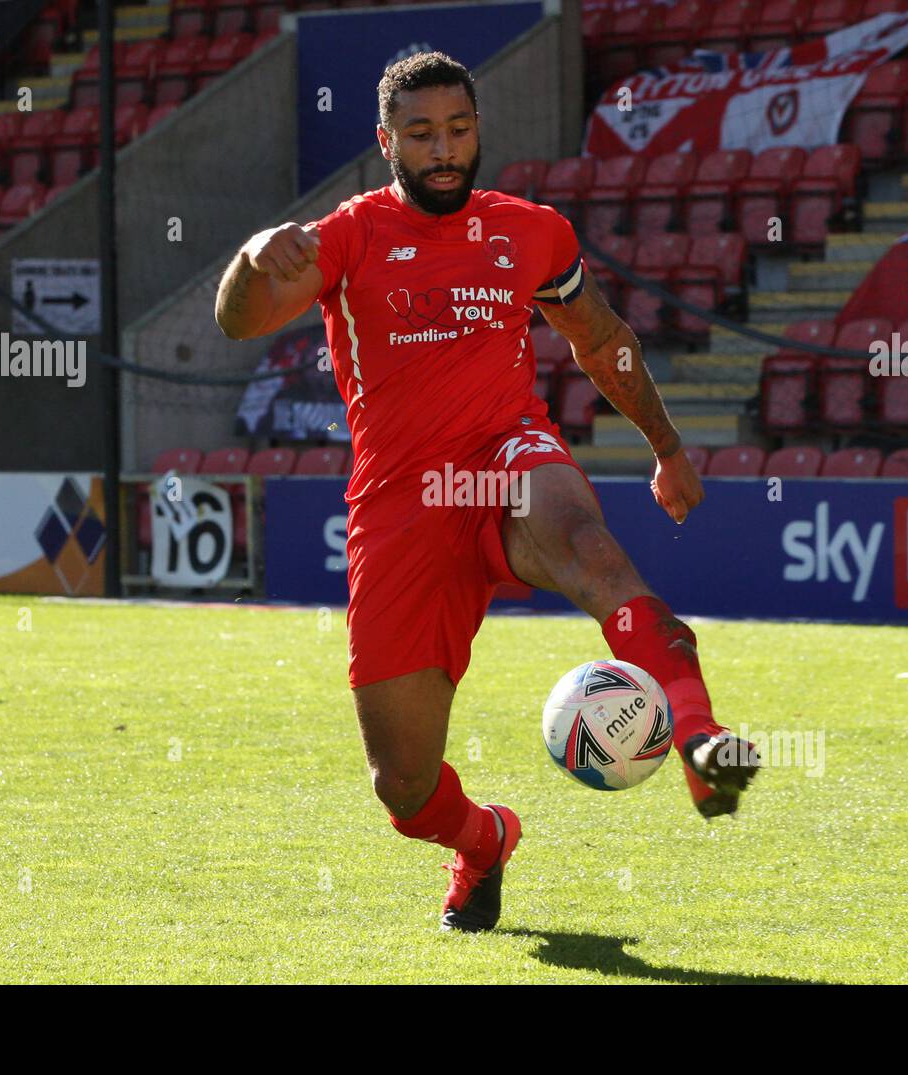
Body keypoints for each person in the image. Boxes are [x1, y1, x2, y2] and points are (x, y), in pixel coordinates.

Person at [216, 52, 758, 933]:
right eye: (422, 135)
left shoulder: (532, 232)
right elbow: (240, 317)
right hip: (401, 503)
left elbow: (601, 339)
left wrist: (665, 446)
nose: (444, 151)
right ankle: (484, 839)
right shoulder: (350, 235)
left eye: (459, 131)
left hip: (506, 455)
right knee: (403, 788)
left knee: (591, 549)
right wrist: (250, 257)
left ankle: (698, 736)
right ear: (385, 140)